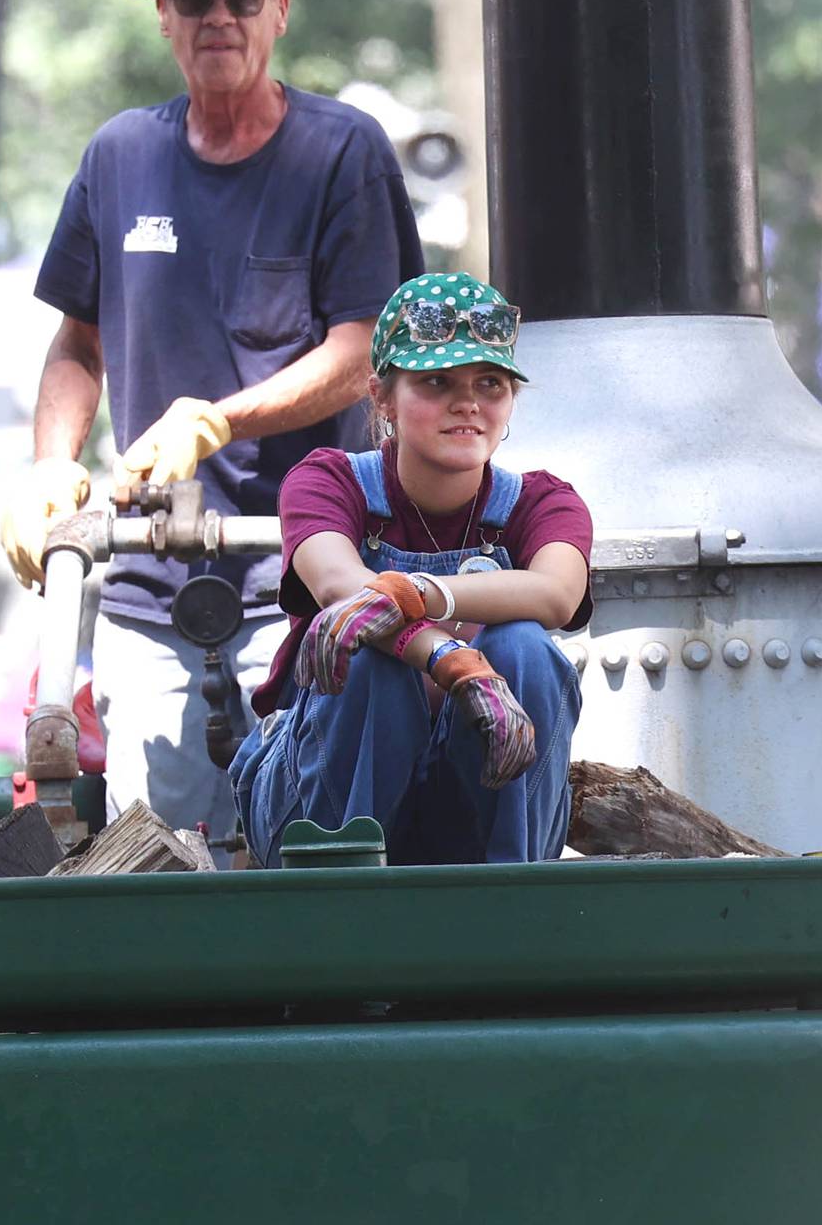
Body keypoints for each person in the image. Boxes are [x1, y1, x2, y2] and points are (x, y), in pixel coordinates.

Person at [0, 0, 423, 840]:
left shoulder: (341, 153)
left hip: (307, 578)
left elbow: (364, 356)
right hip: (148, 587)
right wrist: (48, 464)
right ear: (162, 12)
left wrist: (219, 419)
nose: (217, 16)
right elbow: (78, 343)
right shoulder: (119, 158)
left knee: (309, 846)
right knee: (154, 856)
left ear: (280, 10)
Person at [229, 269, 591, 866]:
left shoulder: (542, 502)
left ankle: (517, 899)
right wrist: (454, 660)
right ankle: (336, 894)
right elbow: (340, 586)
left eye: (490, 383)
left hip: (472, 809)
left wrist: (418, 592)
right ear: (381, 395)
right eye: (436, 381)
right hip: (318, 806)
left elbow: (555, 593)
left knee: (527, 648)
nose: (468, 403)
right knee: (371, 657)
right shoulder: (327, 480)